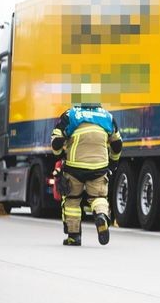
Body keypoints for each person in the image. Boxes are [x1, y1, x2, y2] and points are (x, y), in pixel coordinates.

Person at [51, 103, 122, 246]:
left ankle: (74, 236)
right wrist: (113, 164)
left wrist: (59, 156)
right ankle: (101, 215)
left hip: (74, 166)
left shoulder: (70, 114)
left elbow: (56, 142)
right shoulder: (107, 116)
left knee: (72, 200)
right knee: (99, 197)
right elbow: (117, 144)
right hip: (99, 166)